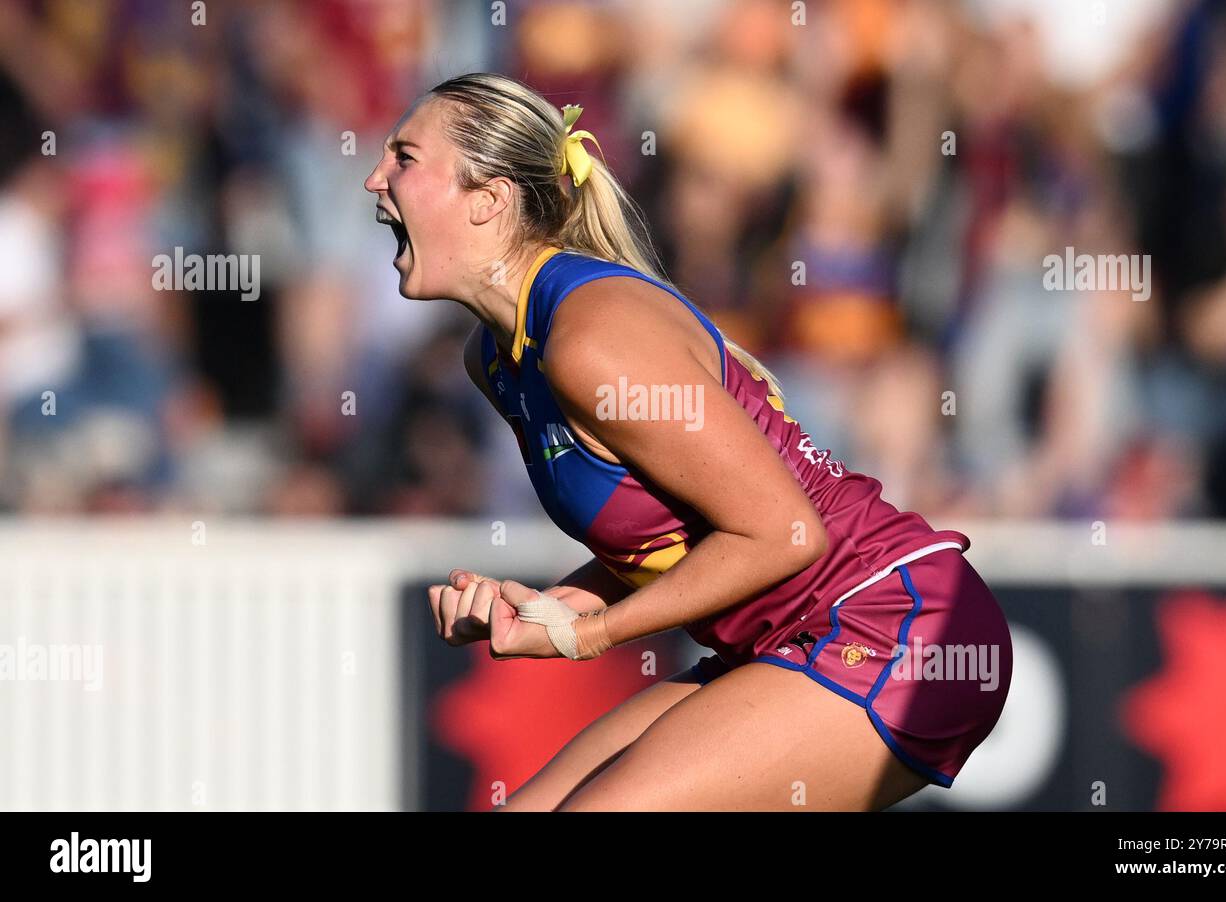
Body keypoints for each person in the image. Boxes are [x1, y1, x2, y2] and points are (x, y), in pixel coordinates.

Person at [364, 73, 1013, 811]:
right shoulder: (496, 359)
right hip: (780, 642)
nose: (373, 177)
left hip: (893, 623)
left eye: (404, 157)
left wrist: (593, 633)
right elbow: (668, 533)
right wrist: (550, 609)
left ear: (490, 199)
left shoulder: (590, 339)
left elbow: (784, 532)